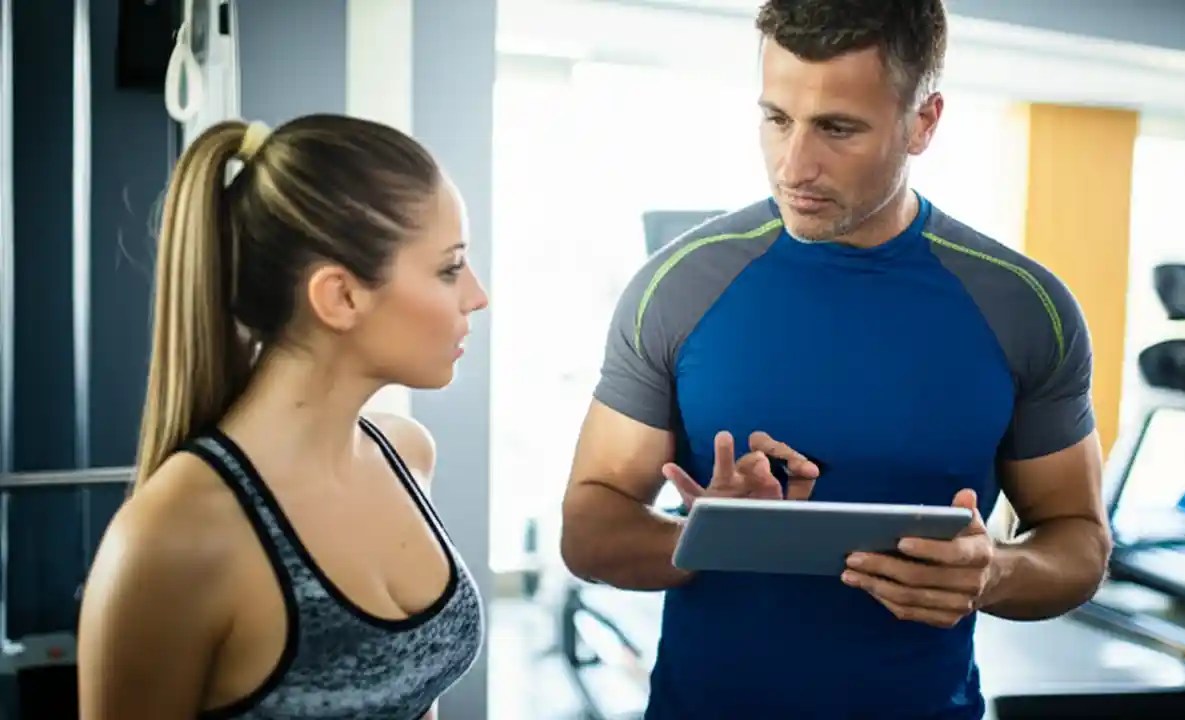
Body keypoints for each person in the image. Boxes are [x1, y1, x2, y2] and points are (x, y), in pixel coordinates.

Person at [560, 1, 1111, 718]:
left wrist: (995, 574)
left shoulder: (1025, 308)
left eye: (837, 128)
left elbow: (1080, 540)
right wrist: (709, 537)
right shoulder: (677, 288)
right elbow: (589, 531)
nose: (794, 166)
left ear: (923, 122)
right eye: (777, 118)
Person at [76, 115, 489, 719]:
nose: (477, 295)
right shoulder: (171, 538)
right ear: (340, 296)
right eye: (450, 268)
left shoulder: (407, 453)